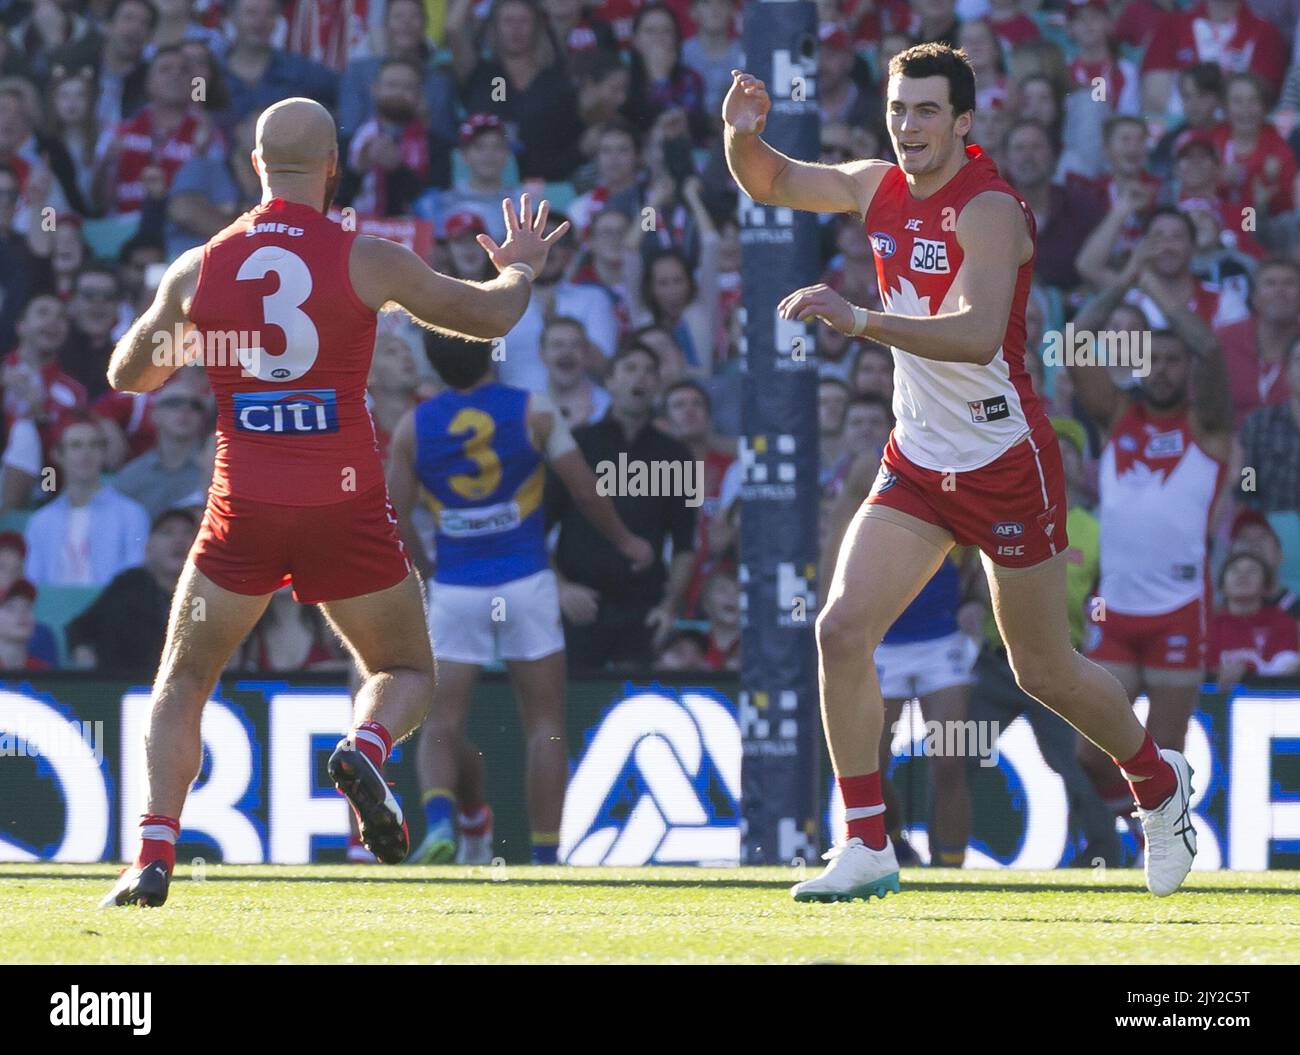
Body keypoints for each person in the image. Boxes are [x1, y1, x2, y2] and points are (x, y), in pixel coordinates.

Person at [725, 44, 1197, 902]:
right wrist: (739, 134)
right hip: (917, 460)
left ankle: (1159, 786)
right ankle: (867, 843)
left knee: (1042, 669)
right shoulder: (875, 183)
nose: (908, 126)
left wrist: (860, 319)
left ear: (965, 122)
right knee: (838, 630)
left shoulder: (989, 208)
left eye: (928, 111)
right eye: (900, 110)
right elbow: (770, 180)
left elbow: (979, 334)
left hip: (1004, 460)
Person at [100, 96, 569, 908]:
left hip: (241, 506)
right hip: (344, 502)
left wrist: (170, 320)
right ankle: (366, 741)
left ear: (255, 167)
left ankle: (152, 855)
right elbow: (489, 313)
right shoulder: (367, 259)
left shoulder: (200, 266)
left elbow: (128, 378)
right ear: (333, 168)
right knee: (404, 667)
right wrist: (521, 264)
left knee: (182, 680)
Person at [389, 330, 652, 865]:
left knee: (440, 722)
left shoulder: (413, 428)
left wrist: (426, 568)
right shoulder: (535, 410)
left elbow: (394, 516)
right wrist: (626, 541)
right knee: (545, 725)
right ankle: (546, 855)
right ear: (490, 352)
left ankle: (441, 822)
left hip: (458, 586)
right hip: (527, 580)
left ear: (434, 366)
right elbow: (583, 489)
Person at [1069, 262, 1232, 826]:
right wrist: (1124, 279)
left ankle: (1158, 845)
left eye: (1172, 361)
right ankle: (1135, 837)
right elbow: (1075, 345)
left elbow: (1210, 350)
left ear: (1185, 368)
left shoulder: (1208, 426)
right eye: (1152, 360)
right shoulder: (1119, 416)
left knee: (1164, 762)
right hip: (1115, 614)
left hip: (1179, 614)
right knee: (1090, 752)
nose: (1161, 371)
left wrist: (1159, 291)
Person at [546, 344, 696, 672]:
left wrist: (670, 606)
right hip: (581, 604)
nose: (638, 378)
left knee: (640, 712)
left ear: (657, 385)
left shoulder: (678, 455)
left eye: (648, 371)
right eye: (629, 368)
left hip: (644, 607)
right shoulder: (575, 445)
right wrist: (561, 589)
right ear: (610, 382)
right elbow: (534, 528)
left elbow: (686, 545)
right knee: (578, 707)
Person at [65, 508, 200, 674]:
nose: (179, 541)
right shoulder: (128, 584)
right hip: (123, 686)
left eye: (187, 533)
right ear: (148, 547)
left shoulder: (204, 594)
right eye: (167, 533)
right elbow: (80, 630)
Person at [24, 416, 150, 587]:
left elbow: (134, 580)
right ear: (57, 455)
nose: (86, 453)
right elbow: (33, 583)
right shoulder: (41, 521)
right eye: (76, 445)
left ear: (103, 453)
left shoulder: (132, 514)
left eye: (94, 445)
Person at [1207, 552, 1300, 688]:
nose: (1242, 576)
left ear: (1266, 587)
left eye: (1252, 571)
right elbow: (1202, 670)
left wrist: (1247, 668)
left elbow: (1284, 667)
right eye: (1235, 570)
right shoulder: (1206, 627)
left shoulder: (1284, 623)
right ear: (1222, 587)